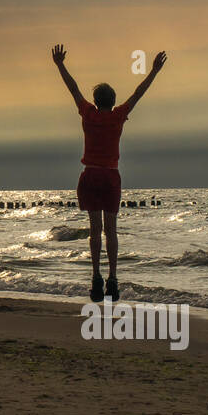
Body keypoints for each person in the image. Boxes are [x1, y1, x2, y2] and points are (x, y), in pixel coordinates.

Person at [51, 44, 167, 302]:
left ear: (96, 101)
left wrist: (60, 64)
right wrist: (154, 71)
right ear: (113, 101)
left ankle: (96, 277)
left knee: (95, 231)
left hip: (90, 175)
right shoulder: (117, 117)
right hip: (110, 176)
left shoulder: (88, 114)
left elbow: (73, 89)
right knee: (110, 231)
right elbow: (138, 93)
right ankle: (112, 278)